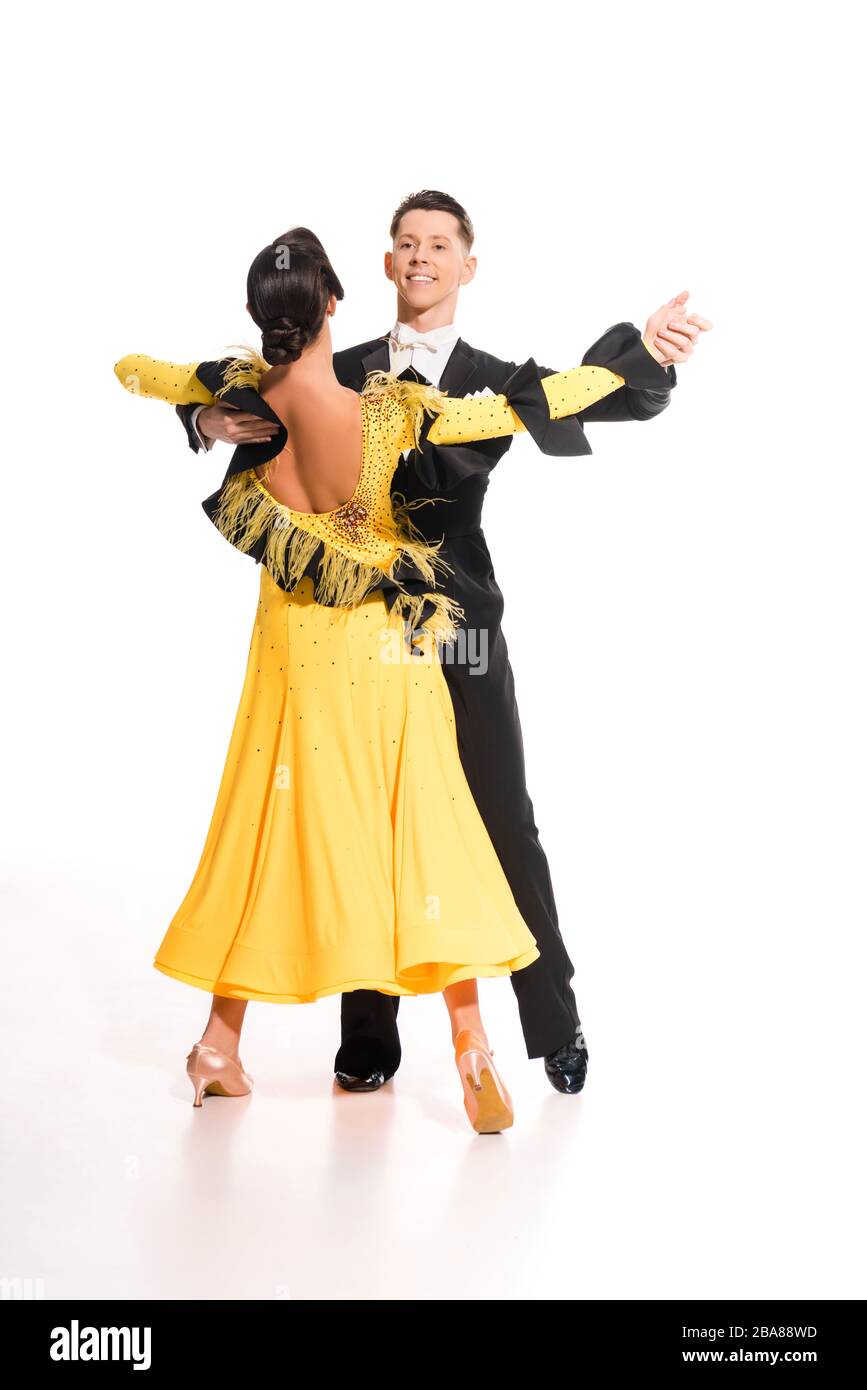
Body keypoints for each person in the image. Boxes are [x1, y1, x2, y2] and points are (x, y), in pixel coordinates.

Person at [175, 191, 712, 1097]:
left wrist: (650, 355)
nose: (420, 255)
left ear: (468, 266)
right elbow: (240, 415)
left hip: (457, 628)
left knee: (500, 814)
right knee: (362, 812)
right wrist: (203, 422)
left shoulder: (492, 377)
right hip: (352, 635)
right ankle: (368, 1041)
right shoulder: (334, 362)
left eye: (438, 244)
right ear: (385, 265)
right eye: (406, 243)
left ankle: (553, 1023)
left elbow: (601, 394)